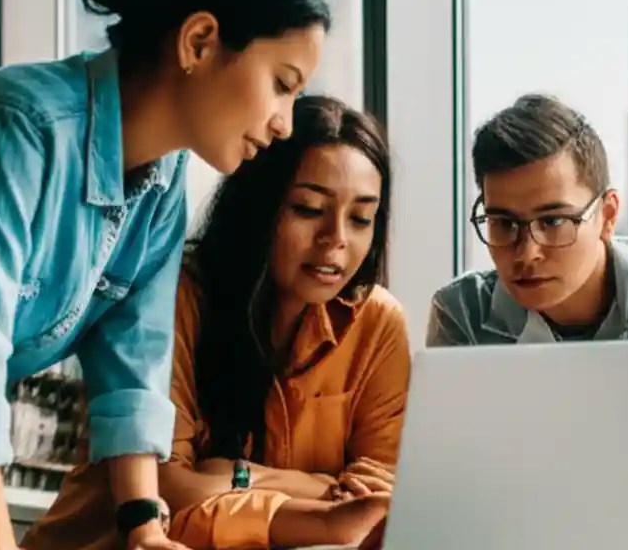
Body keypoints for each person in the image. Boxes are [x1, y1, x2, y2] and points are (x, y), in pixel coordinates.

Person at [0, 0, 330, 550]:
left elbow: (134, 369)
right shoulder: (12, 133)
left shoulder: (164, 182)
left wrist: (144, 528)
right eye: (284, 84)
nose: (284, 123)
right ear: (200, 41)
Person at [23, 95, 406, 550]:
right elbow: (166, 496)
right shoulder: (175, 296)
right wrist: (324, 500)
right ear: (260, 206)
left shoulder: (377, 323)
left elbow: (381, 500)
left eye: (362, 218)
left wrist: (241, 476)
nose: (336, 239)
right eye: (307, 209)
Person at [427, 94, 628, 525]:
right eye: (503, 222)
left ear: (608, 215)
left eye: (553, 221)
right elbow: (456, 477)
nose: (527, 252)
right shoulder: (463, 312)